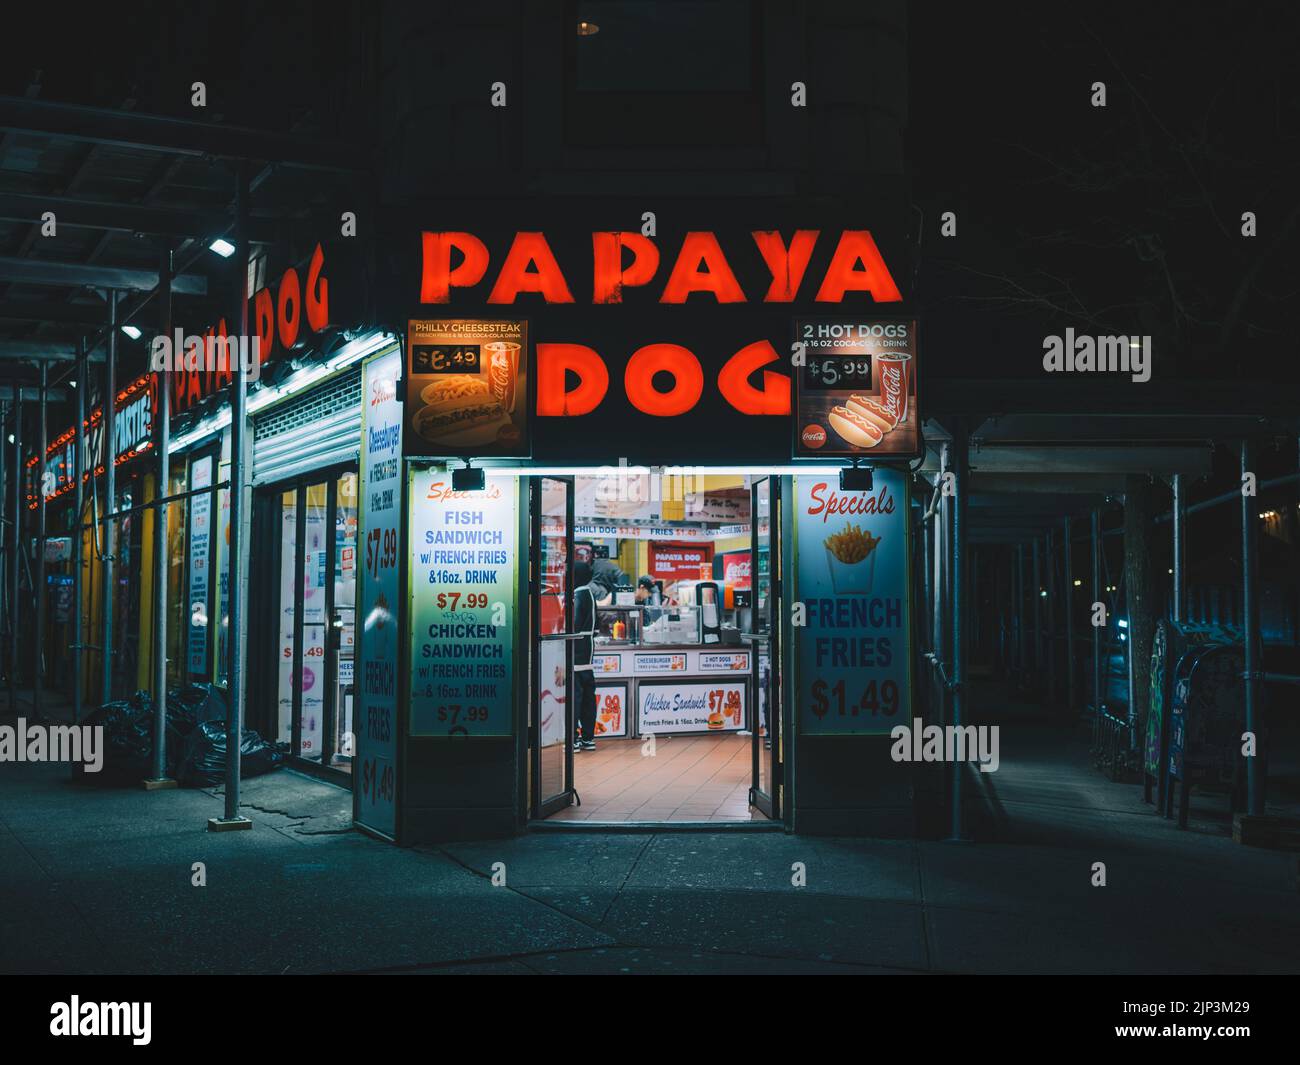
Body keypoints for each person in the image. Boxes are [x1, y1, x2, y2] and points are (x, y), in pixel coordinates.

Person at [572, 560, 599, 750]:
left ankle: (573, 738)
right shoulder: (590, 594)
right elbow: (596, 628)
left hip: (576, 652)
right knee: (588, 698)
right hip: (588, 653)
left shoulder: (578, 595)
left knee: (575, 697)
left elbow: (573, 626)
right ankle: (588, 738)